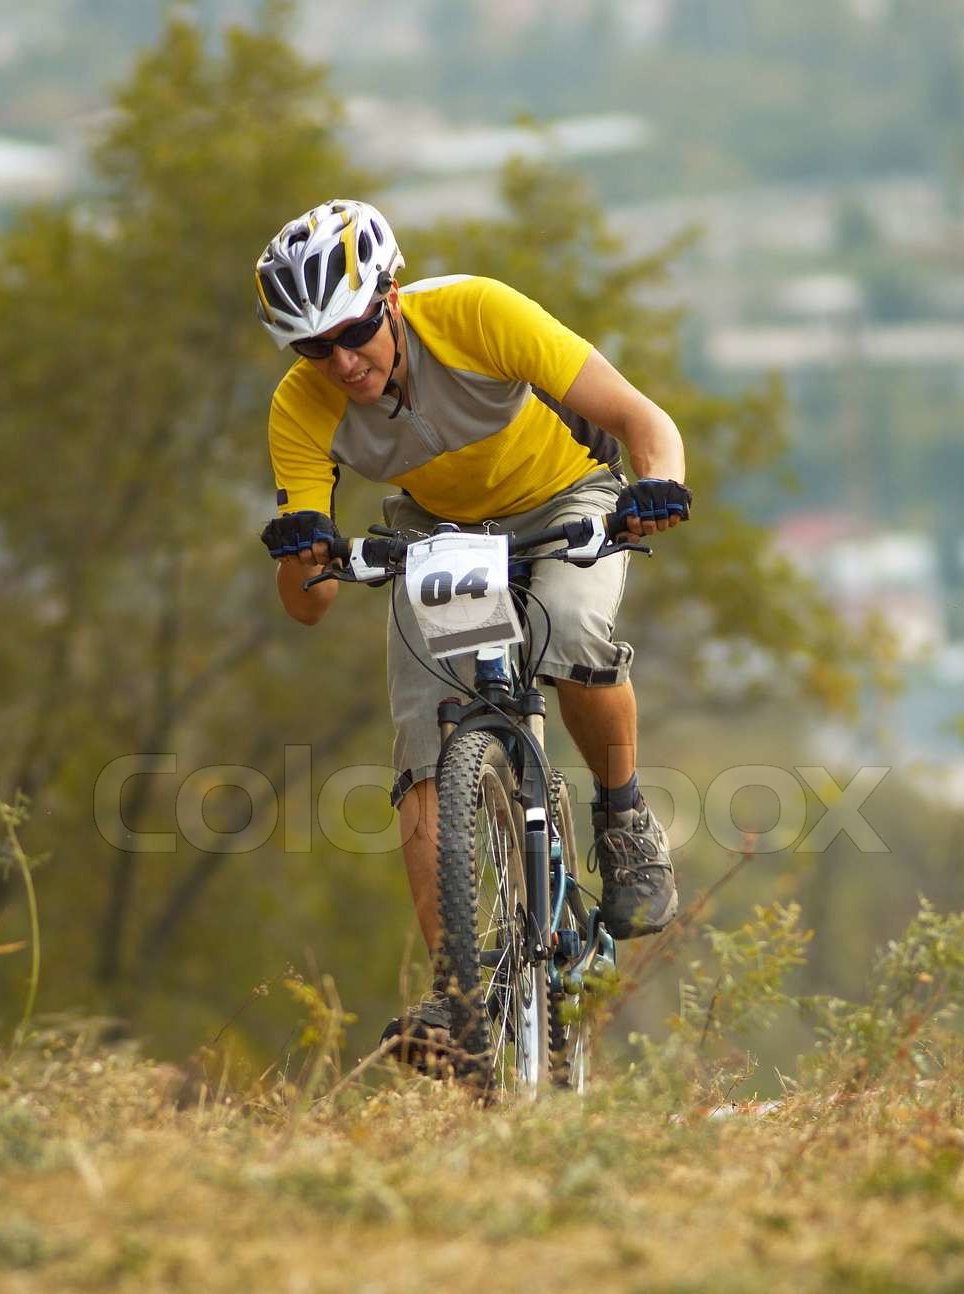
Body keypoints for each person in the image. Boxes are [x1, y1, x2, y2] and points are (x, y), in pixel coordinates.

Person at [255, 198, 690, 1055]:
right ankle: (457, 997)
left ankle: (624, 817)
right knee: (424, 744)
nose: (342, 362)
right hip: (438, 535)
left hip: (567, 498)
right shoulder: (300, 408)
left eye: (354, 331)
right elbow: (309, 605)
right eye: (314, 347)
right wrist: (301, 554)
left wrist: (660, 485)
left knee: (573, 628)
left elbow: (644, 421)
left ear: (391, 296)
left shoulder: (477, 314)